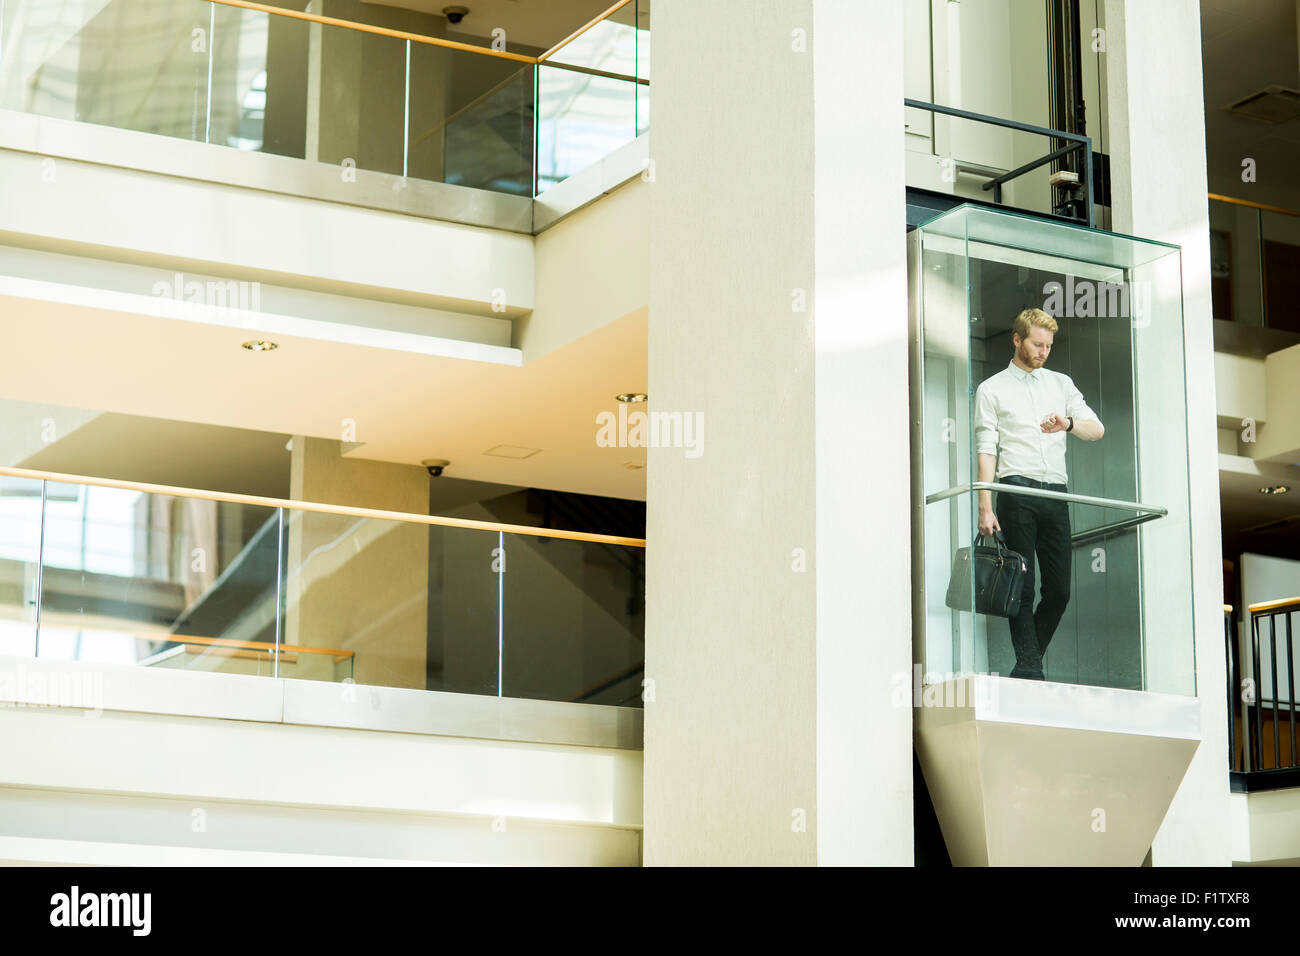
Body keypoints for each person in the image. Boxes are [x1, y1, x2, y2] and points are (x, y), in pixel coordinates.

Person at [973, 307, 1105, 680]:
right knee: (1023, 586)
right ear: (1017, 340)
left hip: (1056, 494)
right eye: (1036, 343)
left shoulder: (1060, 384)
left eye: (1048, 345)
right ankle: (1031, 670)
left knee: (1060, 590)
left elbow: (1097, 430)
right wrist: (985, 505)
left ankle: (1025, 666)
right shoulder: (992, 389)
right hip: (1015, 491)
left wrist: (1068, 423)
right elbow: (986, 449)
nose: (1043, 351)